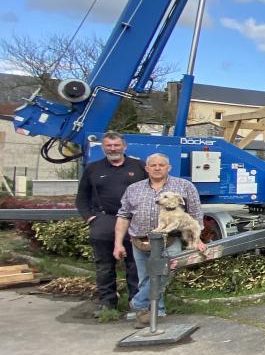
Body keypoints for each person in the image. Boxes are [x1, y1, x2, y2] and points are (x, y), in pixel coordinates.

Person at [113, 153, 205, 327]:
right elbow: (123, 216)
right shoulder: (134, 189)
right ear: (147, 168)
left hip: (170, 240)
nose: (157, 168)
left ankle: (138, 303)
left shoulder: (184, 186)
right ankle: (155, 312)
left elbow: (196, 213)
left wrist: (197, 238)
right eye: (153, 165)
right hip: (140, 242)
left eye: (161, 165)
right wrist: (118, 243)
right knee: (145, 279)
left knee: (165, 273)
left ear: (168, 167)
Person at [75, 131, 147, 316]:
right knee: (104, 265)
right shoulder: (93, 169)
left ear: (124, 146)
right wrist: (90, 218)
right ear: (103, 147)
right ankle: (107, 303)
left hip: (134, 222)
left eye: (116, 145)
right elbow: (82, 197)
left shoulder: (139, 167)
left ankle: (136, 303)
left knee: (136, 264)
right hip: (104, 221)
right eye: (109, 145)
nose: (113, 149)